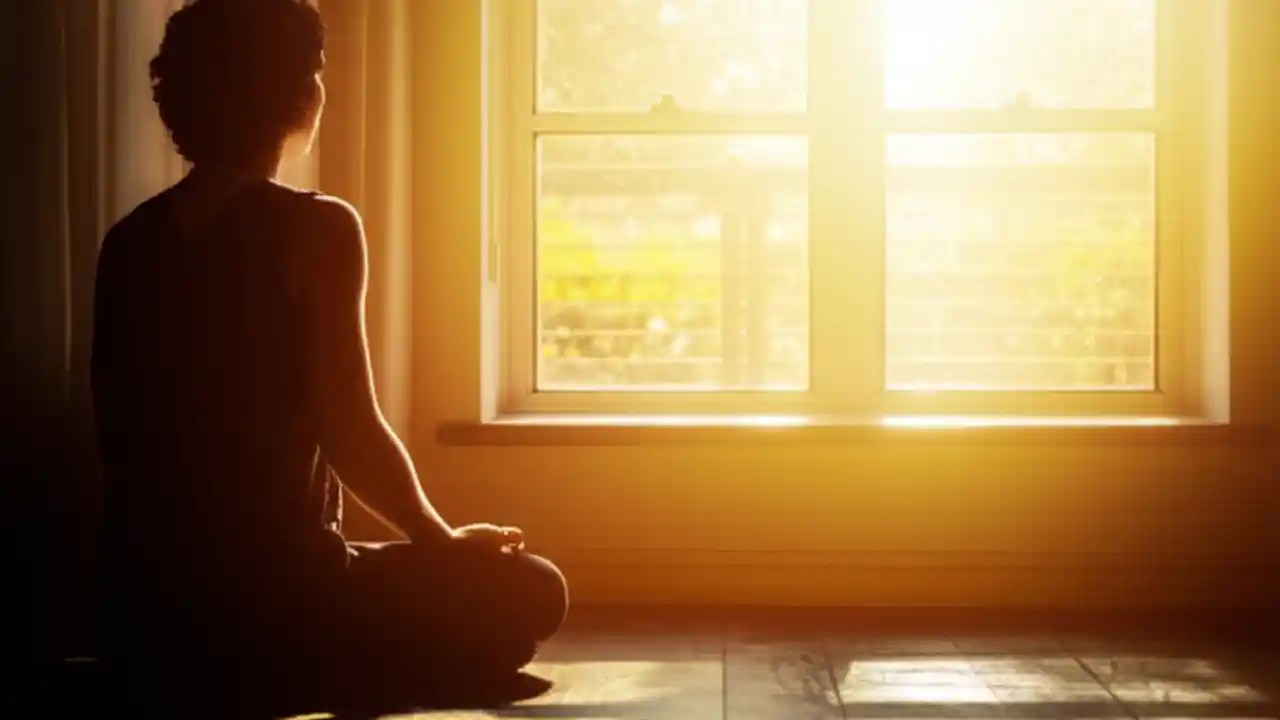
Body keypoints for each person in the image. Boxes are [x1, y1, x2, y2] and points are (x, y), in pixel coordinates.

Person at [90, 0, 566, 706]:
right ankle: (311, 662)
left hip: (145, 615)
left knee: (424, 591)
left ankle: (265, 662)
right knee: (534, 590)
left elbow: (119, 437)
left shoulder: (129, 241)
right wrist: (438, 541)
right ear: (298, 92)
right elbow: (349, 425)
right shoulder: (317, 227)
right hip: (285, 599)